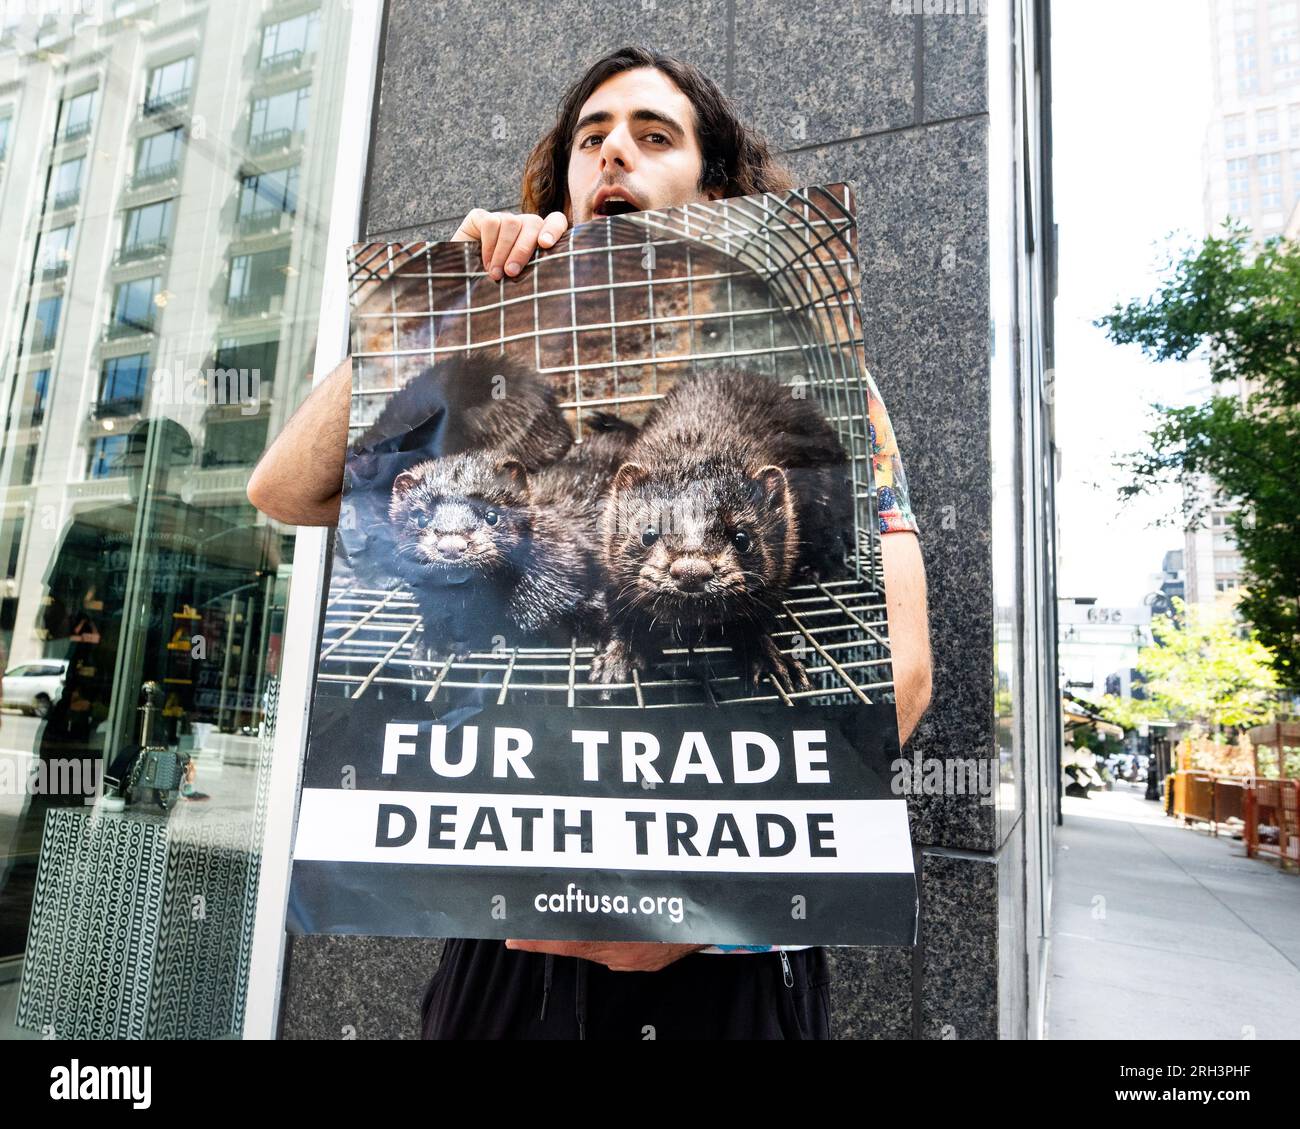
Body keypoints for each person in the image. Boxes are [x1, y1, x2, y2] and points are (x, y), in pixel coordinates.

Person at [248, 45, 933, 1040]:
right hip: (509, 958)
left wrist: (700, 901)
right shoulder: (494, 333)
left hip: (733, 958)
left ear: (713, 182)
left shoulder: (823, 382)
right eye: (592, 135)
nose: (615, 150)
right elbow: (285, 488)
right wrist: (448, 300)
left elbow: (900, 676)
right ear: (565, 180)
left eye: (655, 135)